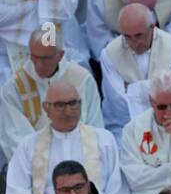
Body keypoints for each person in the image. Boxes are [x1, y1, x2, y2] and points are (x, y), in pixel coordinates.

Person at [6, 79, 129, 194]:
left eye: (73, 103)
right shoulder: (28, 146)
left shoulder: (104, 140)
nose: (68, 110)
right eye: (60, 105)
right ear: (46, 108)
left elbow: (117, 190)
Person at [0, 29, 101, 166]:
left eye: (45, 58)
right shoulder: (14, 88)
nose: (38, 65)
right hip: (36, 168)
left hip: (81, 163)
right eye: (34, 57)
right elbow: (15, 140)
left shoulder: (82, 79)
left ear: (60, 55)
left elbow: (95, 128)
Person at [99, 2, 171, 137]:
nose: (134, 43)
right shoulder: (109, 54)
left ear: (152, 27)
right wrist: (160, 87)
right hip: (126, 125)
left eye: (139, 35)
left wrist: (131, 88)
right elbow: (118, 103)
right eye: (127, 37)